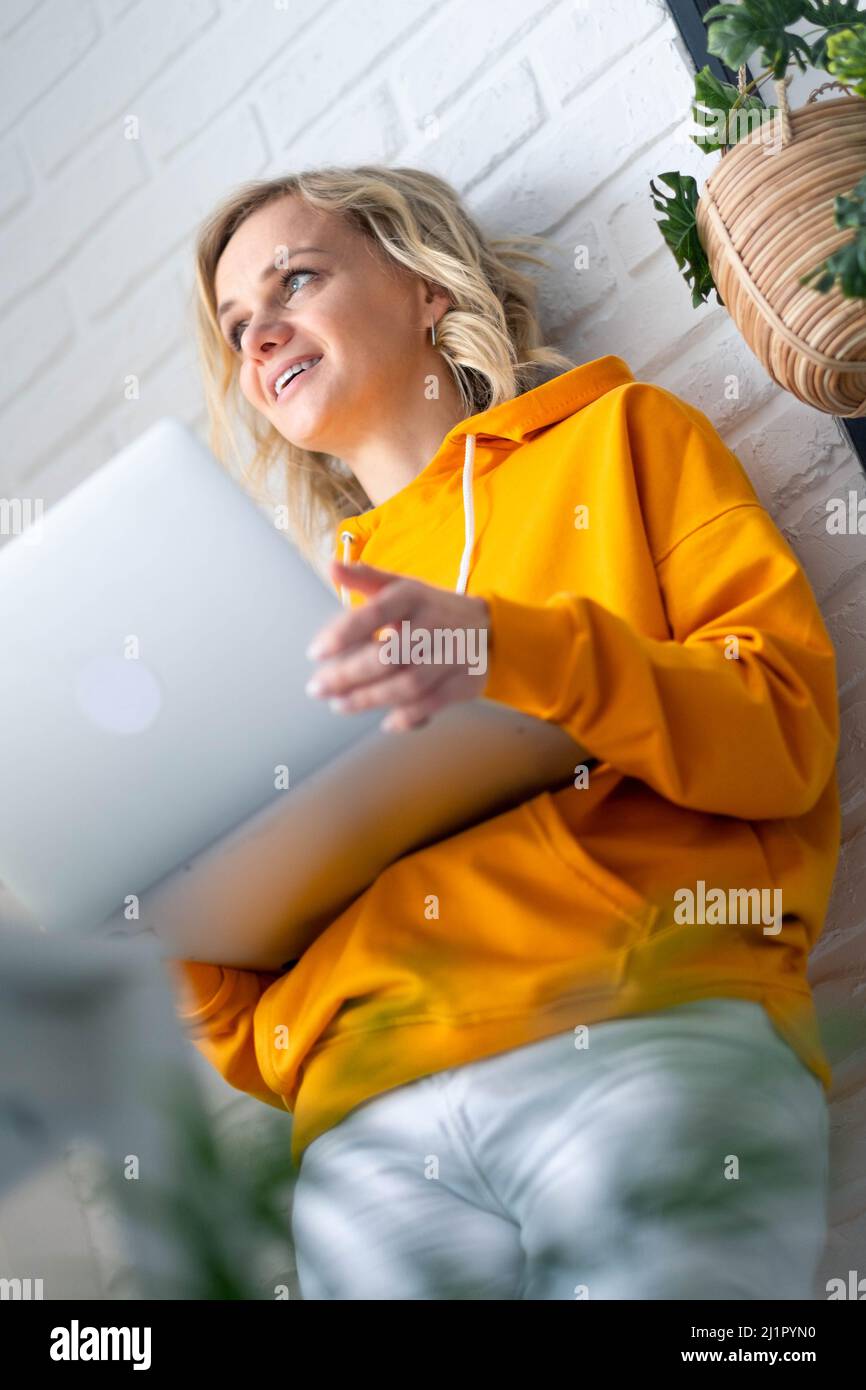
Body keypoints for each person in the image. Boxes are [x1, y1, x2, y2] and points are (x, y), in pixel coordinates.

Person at [167, 164, 839, 1300]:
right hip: (361, 1134)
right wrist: (166, 910)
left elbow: (780, 733)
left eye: (295, 278)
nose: (260, 332)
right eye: (237, 324)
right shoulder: (295, 636)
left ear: (424, 288)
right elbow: (246, 1024)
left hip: (633, 1037)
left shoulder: (617, 440)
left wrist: (505, 648)